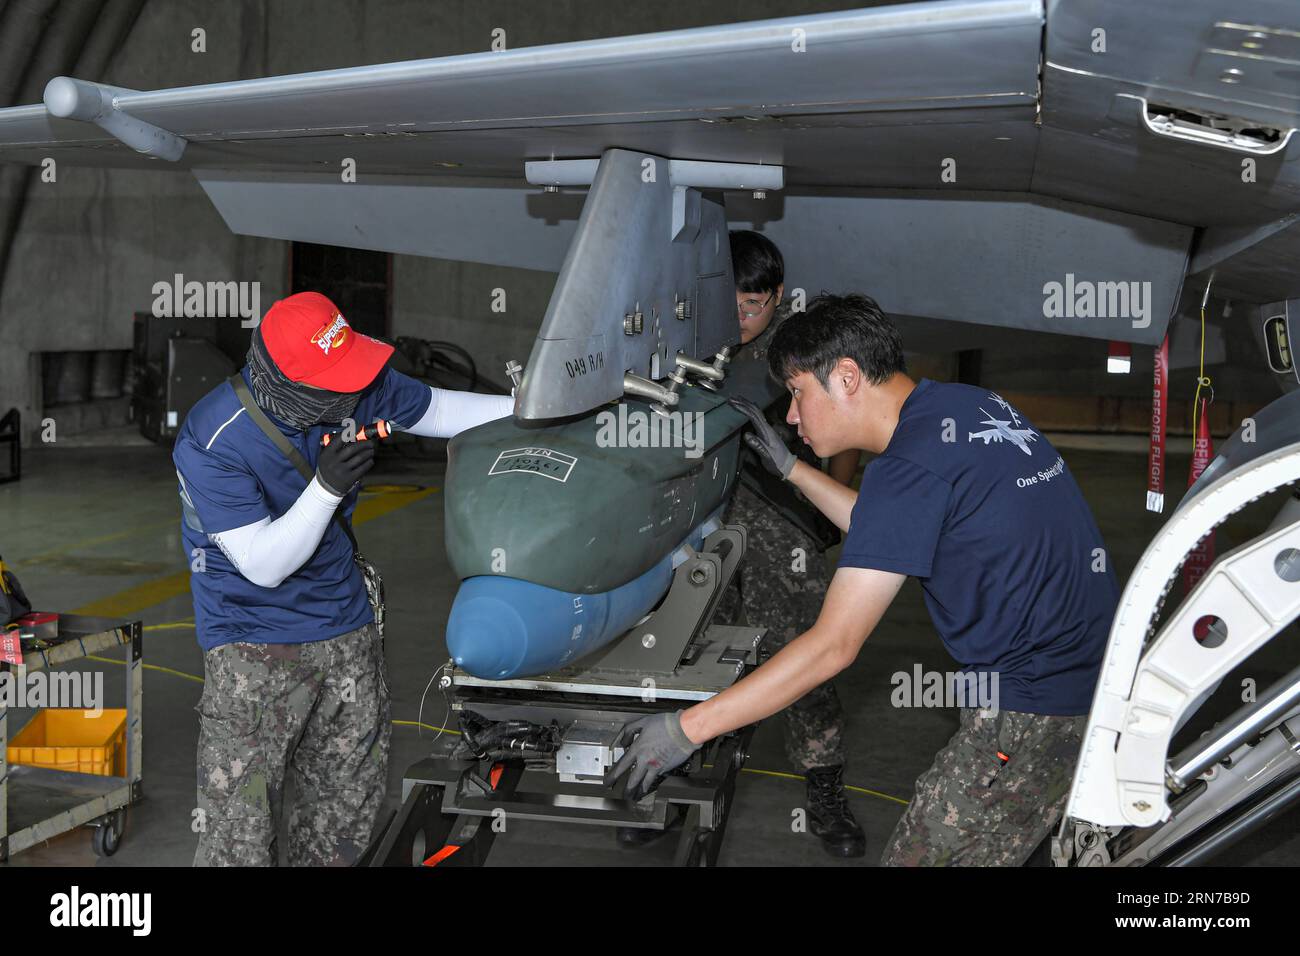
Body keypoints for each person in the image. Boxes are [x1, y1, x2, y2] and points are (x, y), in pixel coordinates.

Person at [612, 293, 1118, 866]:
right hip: (1093, 687)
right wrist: (794, 471)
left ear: (847, 377)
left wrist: (687, 730)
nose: (793, 415)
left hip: (1033, 712)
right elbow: (896, 529)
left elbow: (834, 646)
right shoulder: (964, 409)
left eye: (798, 393)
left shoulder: (908, 467)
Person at [173, 291, 512, 866]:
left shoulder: (347, 384)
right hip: (255, 648)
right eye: (338, 380)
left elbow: (436, 410)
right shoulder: (213, 440)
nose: (356, 389)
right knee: (239, 834)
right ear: (292, 390)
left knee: (340, 818)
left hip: (345, 628)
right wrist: (325, 489)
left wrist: (539, 405)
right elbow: (263, 563)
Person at [718, 230, 865, 858]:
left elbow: (848, 429)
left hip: (782, 514)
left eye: (753, 305)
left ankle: (825, 788)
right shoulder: (697, 339)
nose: (741, 318)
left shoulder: (794, 347)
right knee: (694, 645)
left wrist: (834, 503)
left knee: (802, 651)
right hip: (704, 511)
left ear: (777, 296)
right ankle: (681, 773)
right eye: (731, 304)